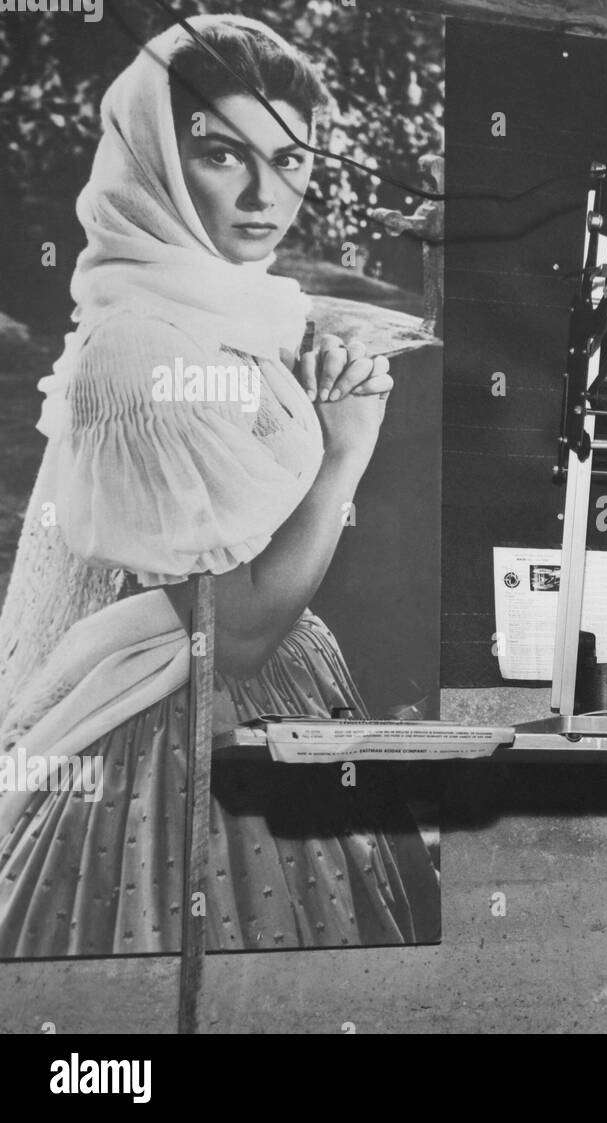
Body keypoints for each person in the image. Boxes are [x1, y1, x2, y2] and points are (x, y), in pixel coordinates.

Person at [0, 15, 440, 956]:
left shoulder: (234, 302)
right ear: (154, 159)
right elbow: (232, 633)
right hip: (168, 731)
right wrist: (342, 450)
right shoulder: (137, 344)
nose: (264, 194)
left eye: (290, 160)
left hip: (273, 683)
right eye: (221, 155)